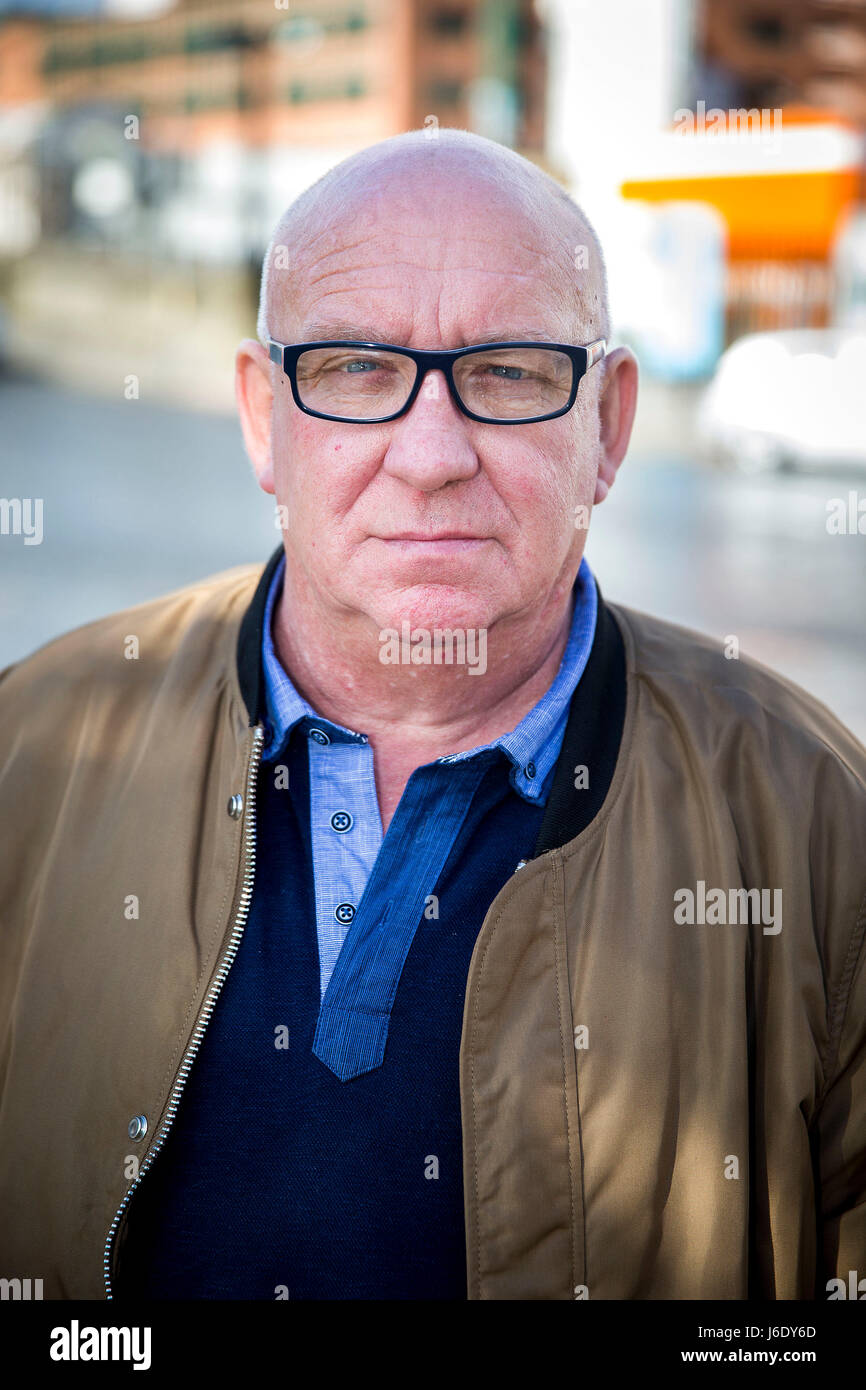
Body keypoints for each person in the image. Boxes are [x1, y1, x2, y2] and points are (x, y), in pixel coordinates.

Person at [0, 130, 864, 1302]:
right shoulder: (31, 748)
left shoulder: (816, 821)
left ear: (605, 427)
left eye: (508, 371)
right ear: (263, 417)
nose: (430, 453)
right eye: (355, 368)